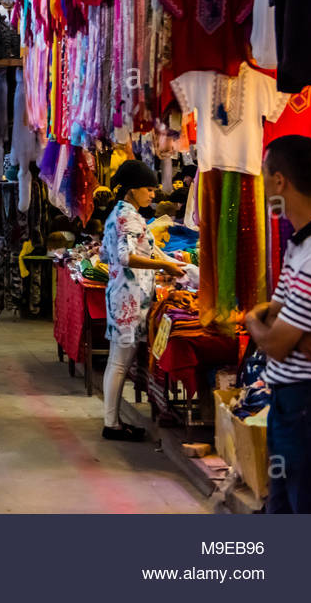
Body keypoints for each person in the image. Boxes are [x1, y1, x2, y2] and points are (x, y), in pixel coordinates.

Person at [246, 136, 311, 511]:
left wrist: (250, 322)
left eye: (263, 175)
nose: (261, 185)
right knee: (283, 507)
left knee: (300, 506)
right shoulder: (300, 245)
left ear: (280, 181)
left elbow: (273, 341)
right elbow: (275, 314)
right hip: (290, 403)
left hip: (306, 402)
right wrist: (279, 329)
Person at [99, 160, 186, 441]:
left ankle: (113, 421)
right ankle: (111, 424)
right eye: (148, 189)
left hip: (122, 294)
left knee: (118, 361)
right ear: (133, 190)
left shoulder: (121, 214)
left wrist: (171, 263)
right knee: (119, 363)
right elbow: (125, 257)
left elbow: (105, 254)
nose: (153, 195)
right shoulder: (129, 217)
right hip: (128, 299)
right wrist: (163, 267)